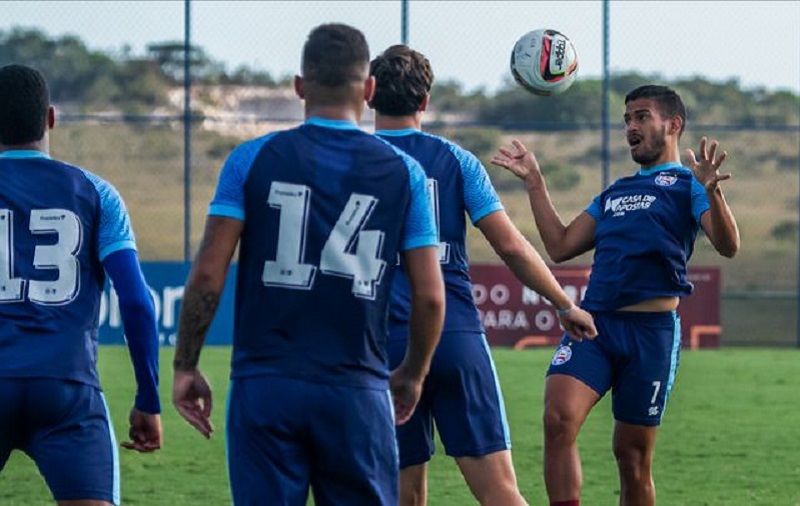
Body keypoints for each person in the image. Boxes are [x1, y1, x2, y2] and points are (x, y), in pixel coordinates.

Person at [171, 24, 445, 506]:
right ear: (369, 89)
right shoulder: (406, 173)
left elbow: (209, 274)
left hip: (265, 385)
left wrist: (186, 363)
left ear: (300, 86)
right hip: (356, 388)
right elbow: (429, 296)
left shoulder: (250, 159)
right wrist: (414, 373)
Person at [369, 45, 598, 506]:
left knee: (403, 495)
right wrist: (564, 303)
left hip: (379, 344)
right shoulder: (457, 161)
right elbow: (511, 245)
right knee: (500, 494)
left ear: (369, 94)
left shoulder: (348, 161)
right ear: (426, 101)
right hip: (453, 338)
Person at [491, 84, 740, 506]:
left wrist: (712, 191)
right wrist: (535, 182)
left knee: (632, 457)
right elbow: (560, 245)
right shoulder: (614, 192)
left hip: (652, 335)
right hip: (595, 325)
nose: (631, 127)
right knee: (558, 419)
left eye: (642, 116)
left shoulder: (688, 185)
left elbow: (728, 244)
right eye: (627, 119)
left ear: (673, 124)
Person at [0, 64, 162, 506]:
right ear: (51, 118)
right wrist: (147, 397)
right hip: (67, 389)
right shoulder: (96, 193)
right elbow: (136, 301)